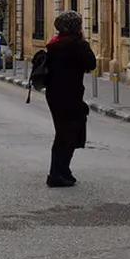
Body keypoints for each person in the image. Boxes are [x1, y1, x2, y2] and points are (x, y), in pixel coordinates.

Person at [44, 10, 96, 188]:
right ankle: (57, 174)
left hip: (54, 94)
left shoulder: (54, 44)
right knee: (68, 134)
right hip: (70, 95)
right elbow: (91, 63)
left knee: (63, 133)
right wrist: (83, 42)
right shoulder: (77, 45)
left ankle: (62, 171)